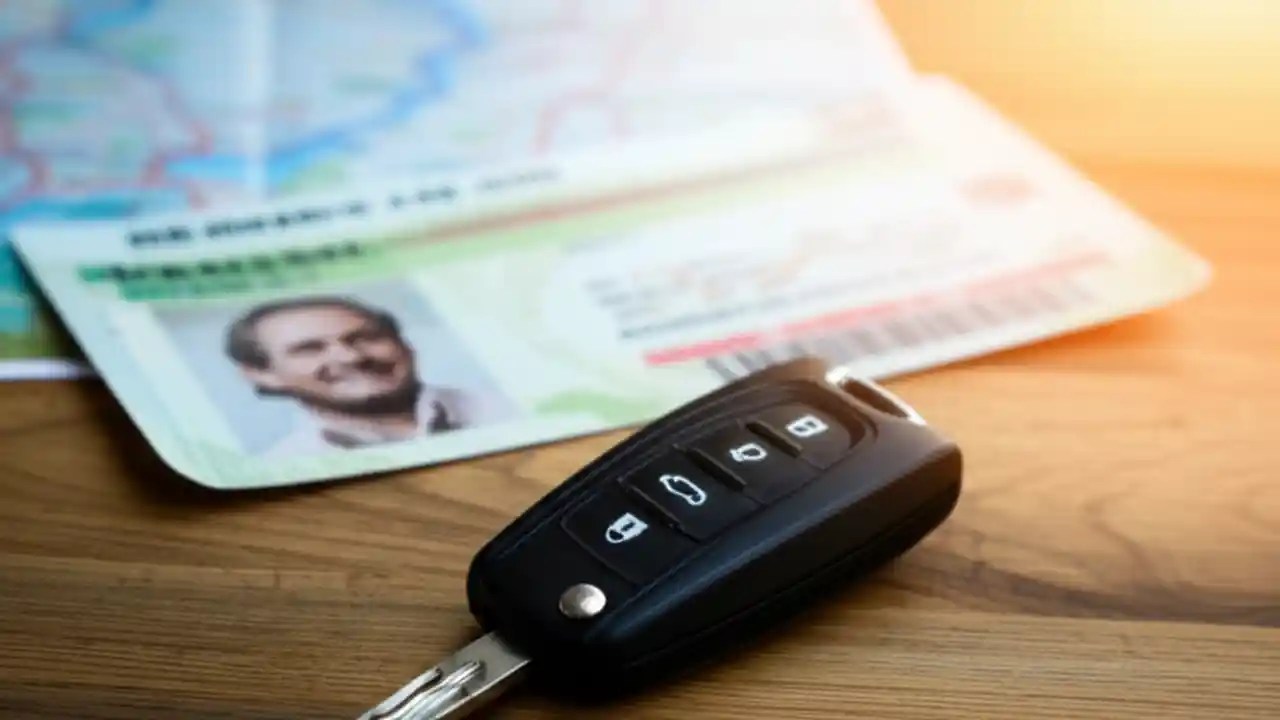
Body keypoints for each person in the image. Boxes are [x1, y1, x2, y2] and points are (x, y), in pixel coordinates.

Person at [225, 296, 496, 456]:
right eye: (309, 349)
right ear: (261, 374)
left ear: (404, 344)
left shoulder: (507, 407)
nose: (350, 357)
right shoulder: (283, 465)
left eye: (366, 338)